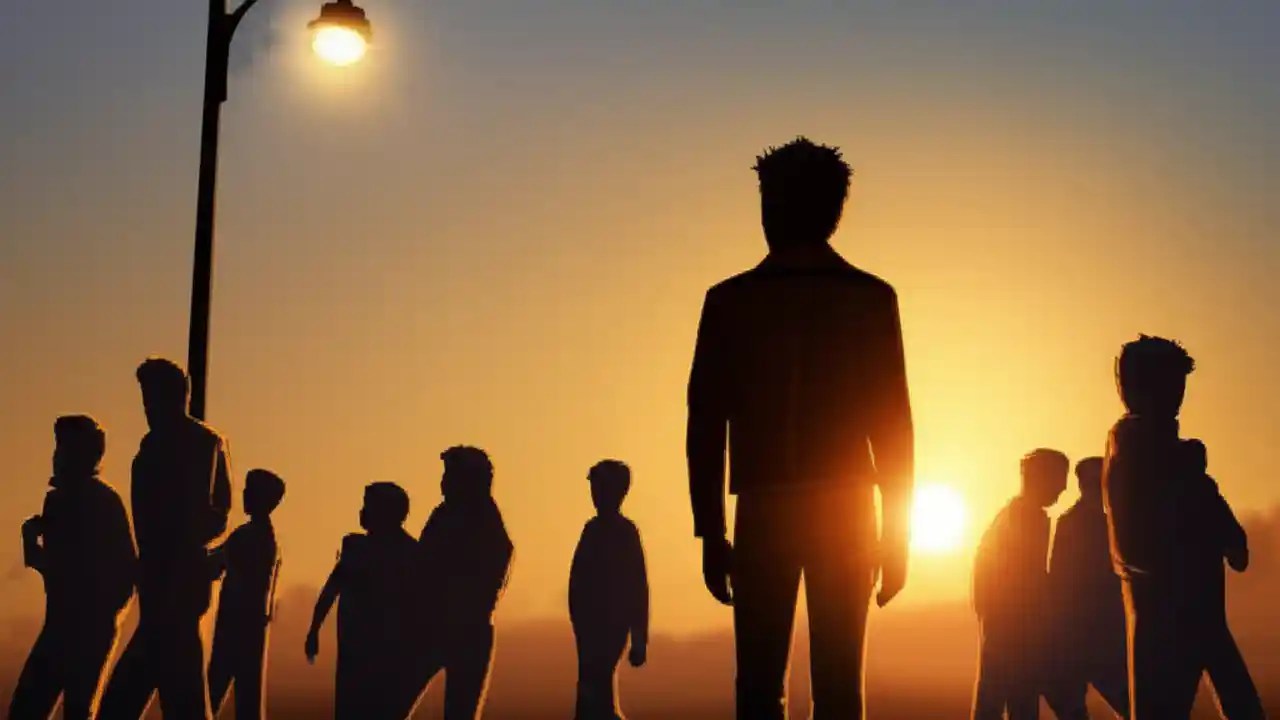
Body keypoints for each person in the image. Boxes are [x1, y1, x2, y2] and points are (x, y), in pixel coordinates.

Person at [686, 136, 914, 719]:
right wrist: (897, 533)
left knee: (760, 686)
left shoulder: (731, 301)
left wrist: (711, 531)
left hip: (769, 507)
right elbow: (893, 425)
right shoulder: (869, 298)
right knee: (838, 685)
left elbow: (706, 423)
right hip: (844, 510)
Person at [1102, 335, 1263, 719]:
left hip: (1195, 609)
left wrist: (1227, 535)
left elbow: (1201, 500)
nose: (1177, 397)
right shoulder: (1137, 447)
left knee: (1239, 705)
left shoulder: (1167, 451)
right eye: (1170, 386)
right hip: (1168, 616)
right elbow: (1132, 543)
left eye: (1179, 387)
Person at [99, 358, 232, 720]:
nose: (147, 408)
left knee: (153, 695)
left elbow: (218, 513)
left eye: (153, 399)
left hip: (180, 590)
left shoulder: (205, 443)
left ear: (177, 397)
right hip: (158, 588)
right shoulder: (150, 448)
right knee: (172, 695)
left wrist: (184, 539)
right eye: (145, 400)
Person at [8, 416, 136, 720]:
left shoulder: (97, 501)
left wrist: (96, 615)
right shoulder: (64, 500)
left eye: (63, 448)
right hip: (66, 625)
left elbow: (122, 573)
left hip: (82, 627)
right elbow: (55, 570)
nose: (56, 456)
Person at [399, 446, 514, 720]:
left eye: (450, 474)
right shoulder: (446, 514)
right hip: (440, 626)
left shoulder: (480, 521)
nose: (443, 481)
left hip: (462, 630)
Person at [305, 482, 421, 720]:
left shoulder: (408, 554)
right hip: (353, 651)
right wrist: (314, 628)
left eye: (369, 506)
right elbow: (331, 589)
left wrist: (315, 628)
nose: (363, 512)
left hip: (385, 654)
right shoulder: (356, 548)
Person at [971, 449, 1069, 720]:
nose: (1062, 489)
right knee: (1009, 699)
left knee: (1006, 698)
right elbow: (1030, 577)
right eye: (1058, 479)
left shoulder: (1012, 515)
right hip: (1015, 628)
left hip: (1006, 625)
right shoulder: (1026, 519)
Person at [1177, 440, 1264, 719]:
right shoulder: (1207, 497)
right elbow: (1238, 554)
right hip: (1206, 616)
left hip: (1183, 617)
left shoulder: (1178, 498)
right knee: (1237, 698)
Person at [1045, 457, 1128, 719]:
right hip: (1087, 629)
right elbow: (1060, 577)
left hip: (1096, 629)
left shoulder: (1104, 522)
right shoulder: (1091, 523)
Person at [569, 460, 650, 720]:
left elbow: (637, 588)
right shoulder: (592, 530)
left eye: (600, 488)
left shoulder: (624, 533)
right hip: (588, 628)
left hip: (610, 627)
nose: (595, 495)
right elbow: (578, 581)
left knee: (595, 693)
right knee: (592, 693)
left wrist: (639, 637)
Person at [207, 469, 286, 720]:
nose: (243, 495)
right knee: (248, 698)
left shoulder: (247, 536)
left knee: (212, 693)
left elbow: (213, 565)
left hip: (236, 625)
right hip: (252, 626)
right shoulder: (266, 538)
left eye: (249, 491)